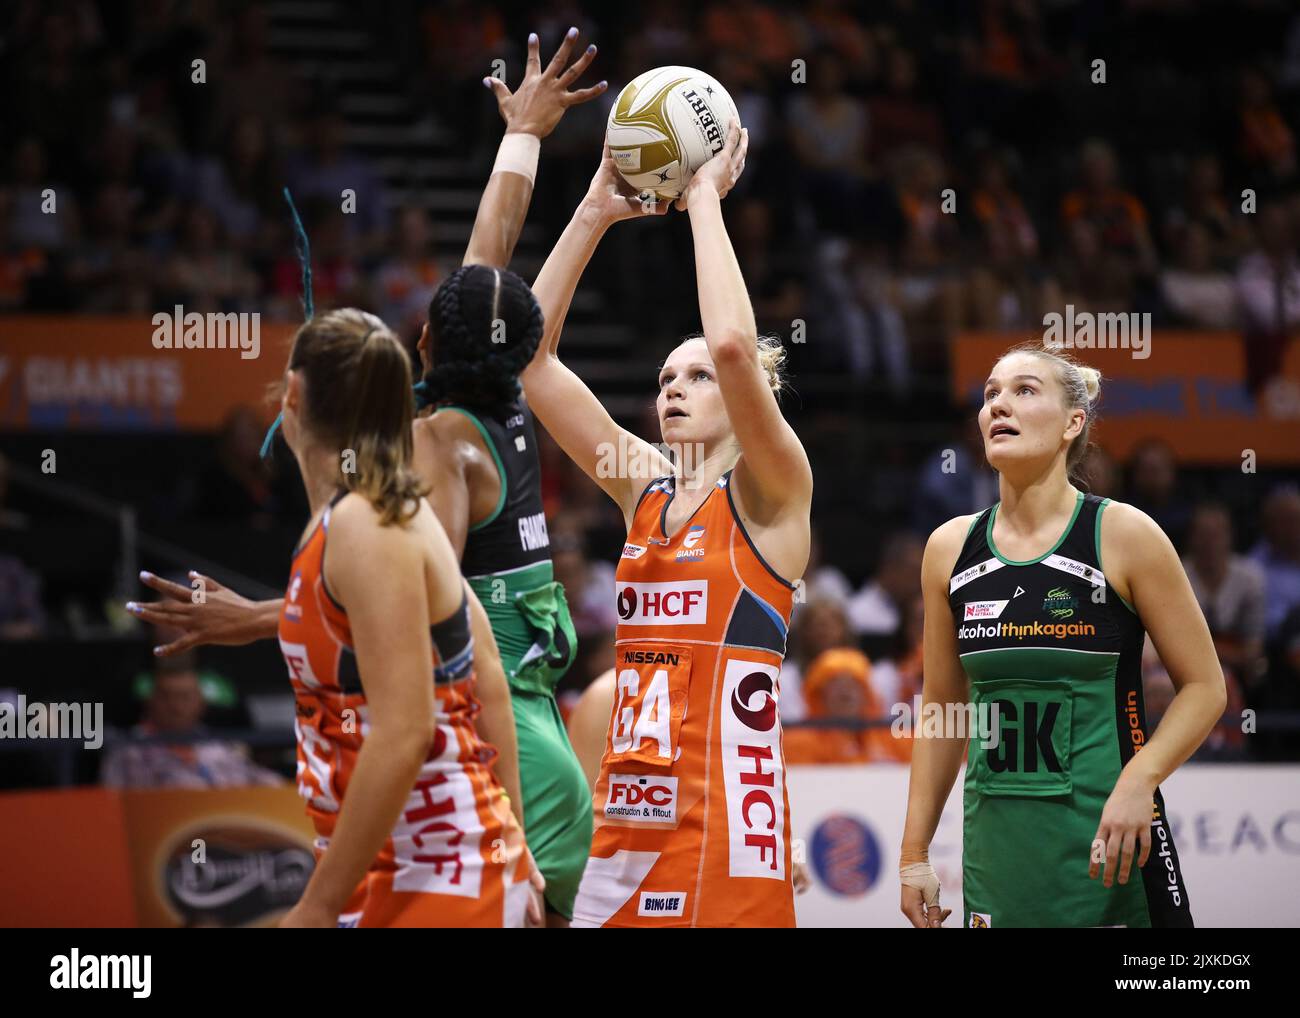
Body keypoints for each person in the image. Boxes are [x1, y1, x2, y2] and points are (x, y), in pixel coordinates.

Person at [522, 123, 814, 927]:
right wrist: (592, 212)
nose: (673, 389)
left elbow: (733, 345)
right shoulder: (641, 488)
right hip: (625, 835)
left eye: (696, 377)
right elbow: (532, 362)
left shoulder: (773, 491)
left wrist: (704, 198)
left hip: (724, 832)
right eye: (664, 378)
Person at [900, 342, 1225, 928]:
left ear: (1074, 423)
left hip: (1113, 844)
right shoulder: (949, 548)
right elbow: (943, 709)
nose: (999, 405)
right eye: (990, 394)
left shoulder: (1123, 533)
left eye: (1024, 390)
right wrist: (914, 854)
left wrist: (1141, 778)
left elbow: (1205, 688)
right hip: (998, 856)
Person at [268, 307, 535, 927]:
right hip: (399, 866)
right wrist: (517, 841)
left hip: (440, 871)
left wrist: (315, 906)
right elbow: (487, 673)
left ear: (293, 395)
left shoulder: (367, 524)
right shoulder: (369, 516)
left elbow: (406, 729)